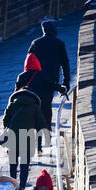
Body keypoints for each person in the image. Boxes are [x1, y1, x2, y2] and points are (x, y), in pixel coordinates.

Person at [3, 70, 48, 190]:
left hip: (12, 138)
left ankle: (12, 185)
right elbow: (42, 123)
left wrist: (8, 128)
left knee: (13, 164)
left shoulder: (13, 104)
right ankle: (22, 188)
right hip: (27, 139)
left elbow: (5, 120)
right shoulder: (34, 106)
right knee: (24, 165)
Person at [28, 20, 70, 149]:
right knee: (46, 108)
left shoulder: (36, 43)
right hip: (51, 83)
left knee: (37, 108)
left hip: (35, 80)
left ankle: (38, 138)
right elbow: (65, 65)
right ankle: (45, 137)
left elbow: (28, 63)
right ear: (54, 30)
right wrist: (65, 83)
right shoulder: (59, 44)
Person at [15, 53, 68, 154]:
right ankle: (39, 147)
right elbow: (52, 85)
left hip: (26, 106)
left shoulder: (21, 77)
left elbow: (17, 92)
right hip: (41, 105)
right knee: (39, 126)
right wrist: (62, 89)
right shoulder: (41, 75)